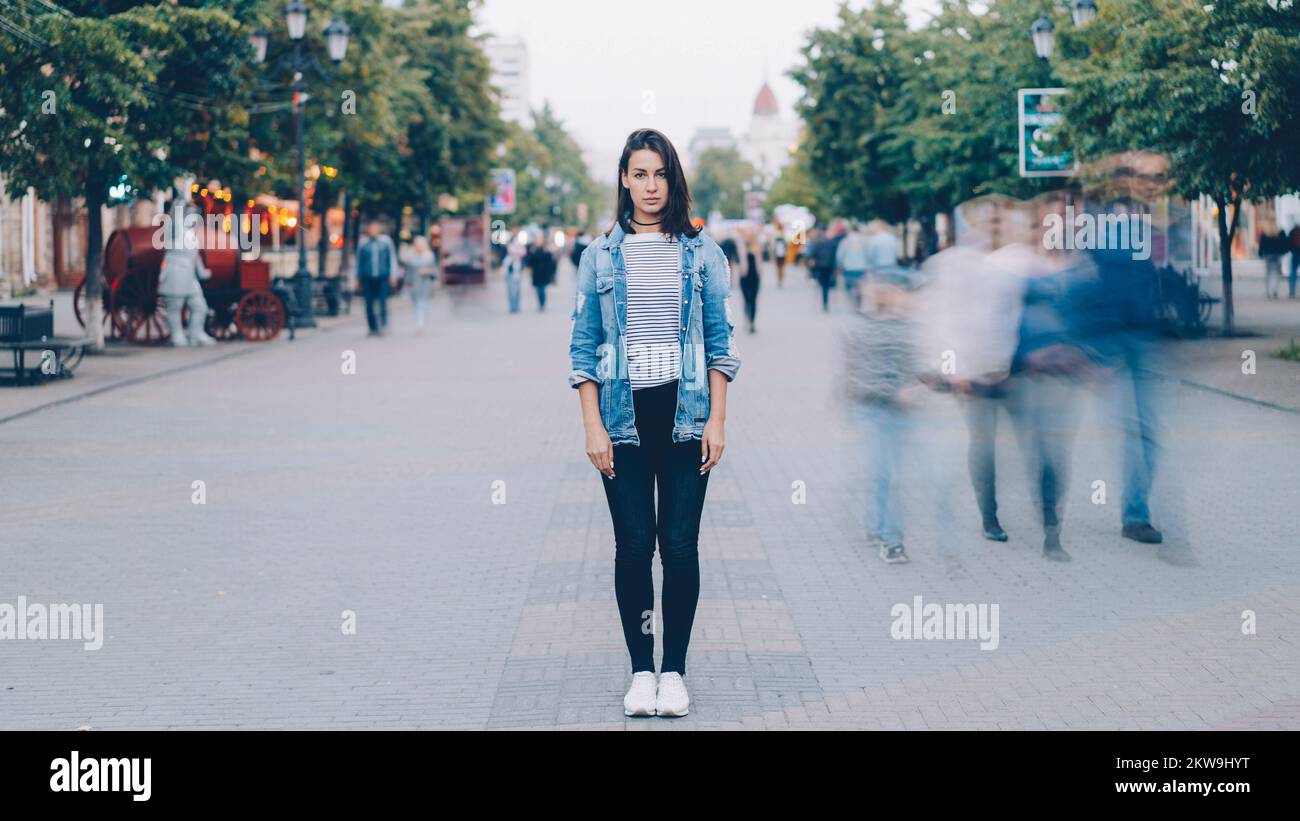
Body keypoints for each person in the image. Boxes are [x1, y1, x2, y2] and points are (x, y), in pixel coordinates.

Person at [568, 128, 740, 719]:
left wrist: (717, 418)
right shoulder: (598, 256)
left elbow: (720, 344)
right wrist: (593, 426)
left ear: (674, 180)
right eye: (640, 174)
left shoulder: (701, 252)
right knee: (634, 546)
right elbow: (583, 350)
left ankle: (676, 673)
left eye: (660, 174)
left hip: (686, 413)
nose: (650, 185)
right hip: (623, 417)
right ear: (623, 178)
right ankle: (642, 671)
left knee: (681, 546)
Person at [840, 269, 920, 563]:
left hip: (897, 411)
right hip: (872, 408)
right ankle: (891, 539)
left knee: (885, 473)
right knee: (885, 473)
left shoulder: (907, 326)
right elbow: (851, 370)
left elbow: (916, 366)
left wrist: (911, 388)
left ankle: (878, 526)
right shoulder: (859, 327)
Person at [159, 201, 216, 347]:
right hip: (175, 271)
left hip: (190, 276)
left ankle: (195, 333)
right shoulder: (175, 229)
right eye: (191, 214)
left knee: (200, 306)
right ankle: (177, 334)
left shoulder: (191, 234)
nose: (194, 218)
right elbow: (175, 214)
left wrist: (202, 272)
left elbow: (195, 256)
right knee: (175, 307)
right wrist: (182, 196)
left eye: (196, 215)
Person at [355, 220, 398, 336]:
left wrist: (393, 275)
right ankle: (372, 327)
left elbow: (392, 258)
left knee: (383, 301)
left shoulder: (386, 242)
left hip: (383, 276)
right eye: (371, 228)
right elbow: (358, 261)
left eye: (375, 228)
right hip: (367, 277)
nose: (373, 231)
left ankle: (383, 325)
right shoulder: (363, 243)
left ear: (379, 229)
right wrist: (356, 278)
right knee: (368, 303)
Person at [400, 234, 437, 333]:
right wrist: (407, 284)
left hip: (426, 286)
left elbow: (435, 271)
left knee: (423, 305)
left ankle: (421, 324)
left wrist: (428, 271)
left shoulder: (429, 256)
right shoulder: (411, 257)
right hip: (415, 286)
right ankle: (420, 325)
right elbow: (408, 273)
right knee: (418, 305)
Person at [835, 223, 869, 309]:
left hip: (849, 268)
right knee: (860, 286)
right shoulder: (863, 241)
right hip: (861, 267)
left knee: (849, 287)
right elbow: (868, 255)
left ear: (850, 231)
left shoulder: (845, 241)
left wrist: (839, 265)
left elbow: (840, 255)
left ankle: (852, 304)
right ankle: (858, 303)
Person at [809, 229, 839, 311]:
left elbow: (812, 256)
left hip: (820, 267)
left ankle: (825, 301)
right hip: (830, 266)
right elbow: (836, 256)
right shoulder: (833, 243)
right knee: (827, 284)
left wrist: (812, 270)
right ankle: (826, 300)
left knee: (824, 285)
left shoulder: (818, 243)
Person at [525, 237, 556, 311]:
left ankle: (542, 303)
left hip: (542, 274)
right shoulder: (535, 252)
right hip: (538, 274)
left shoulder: (545, 252)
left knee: (541, 290)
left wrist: (551, 273)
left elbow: (551, 263)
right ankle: (541, 303)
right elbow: (530, 262)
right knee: (540, 290)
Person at [1260, 222, 1288, 300]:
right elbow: (1285, 243)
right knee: (1277, 274)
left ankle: (1268, 291)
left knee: (1268, 274)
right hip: (1278, 254)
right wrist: (1284, 252)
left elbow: (1262, 243)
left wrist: (1261, 253)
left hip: (1268, 254)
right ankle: (1274, 290)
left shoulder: (1265, 230)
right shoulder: (1280, 230)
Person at [739, 233, 761, 333]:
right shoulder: (742, 250)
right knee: (748, 300)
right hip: (746, 278)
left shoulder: (756, 250)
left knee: (751, 300)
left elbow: (759, 266)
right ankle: (749, 320)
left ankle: (751, 321)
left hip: (752, 278)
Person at [504, 234, 526, 314]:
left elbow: (523, 253)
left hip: (517, 273)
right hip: (510, 274)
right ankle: (512, 306)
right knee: (511, 291)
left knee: (517, 290)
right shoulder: (508, 259)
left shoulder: (518, 261)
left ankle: (516, 306)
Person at [1288, 225, 1300, 300]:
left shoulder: (1292, 231)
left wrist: (1291, 250)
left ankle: (1292, 292)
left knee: (1293, 273)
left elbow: (1289, 243)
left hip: (1295, 253)